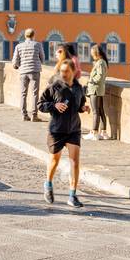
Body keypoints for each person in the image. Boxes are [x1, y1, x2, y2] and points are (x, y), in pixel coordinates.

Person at [38, 57, 89, 208]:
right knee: (55, 160)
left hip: (73, 129)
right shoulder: (54, 86)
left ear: (74, 72)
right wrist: (55, 105)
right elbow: (41, 104)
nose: (64, 74)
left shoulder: (79, 88)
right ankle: (48, 184)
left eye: (67, 71)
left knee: (75, 162)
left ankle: (72, 195)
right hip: (57, 130)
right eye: (62, 71)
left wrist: (83, 109)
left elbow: (80, 105)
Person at [12, 29, 45, 122]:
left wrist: (18, 65)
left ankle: (24, 115)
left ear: (25, 36)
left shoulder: (19, 46)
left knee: (23, 94)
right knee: (34, 93)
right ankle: (34, 115)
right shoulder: (38, 45)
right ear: (33, 35)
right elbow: (42, 59)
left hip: (23, 71)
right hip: (34, 71)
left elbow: (15, 61)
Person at [83, 45, 110, 141]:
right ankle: (103, 132)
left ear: (96, 54)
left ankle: (94, 132)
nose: (91, 56)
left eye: (92, 54)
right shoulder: (101, 62)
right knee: (100, 110)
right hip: (98, 89)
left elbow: (100, 76)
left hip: (95, 89)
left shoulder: (100, 63)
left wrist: (91, 81)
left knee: (95, 112)